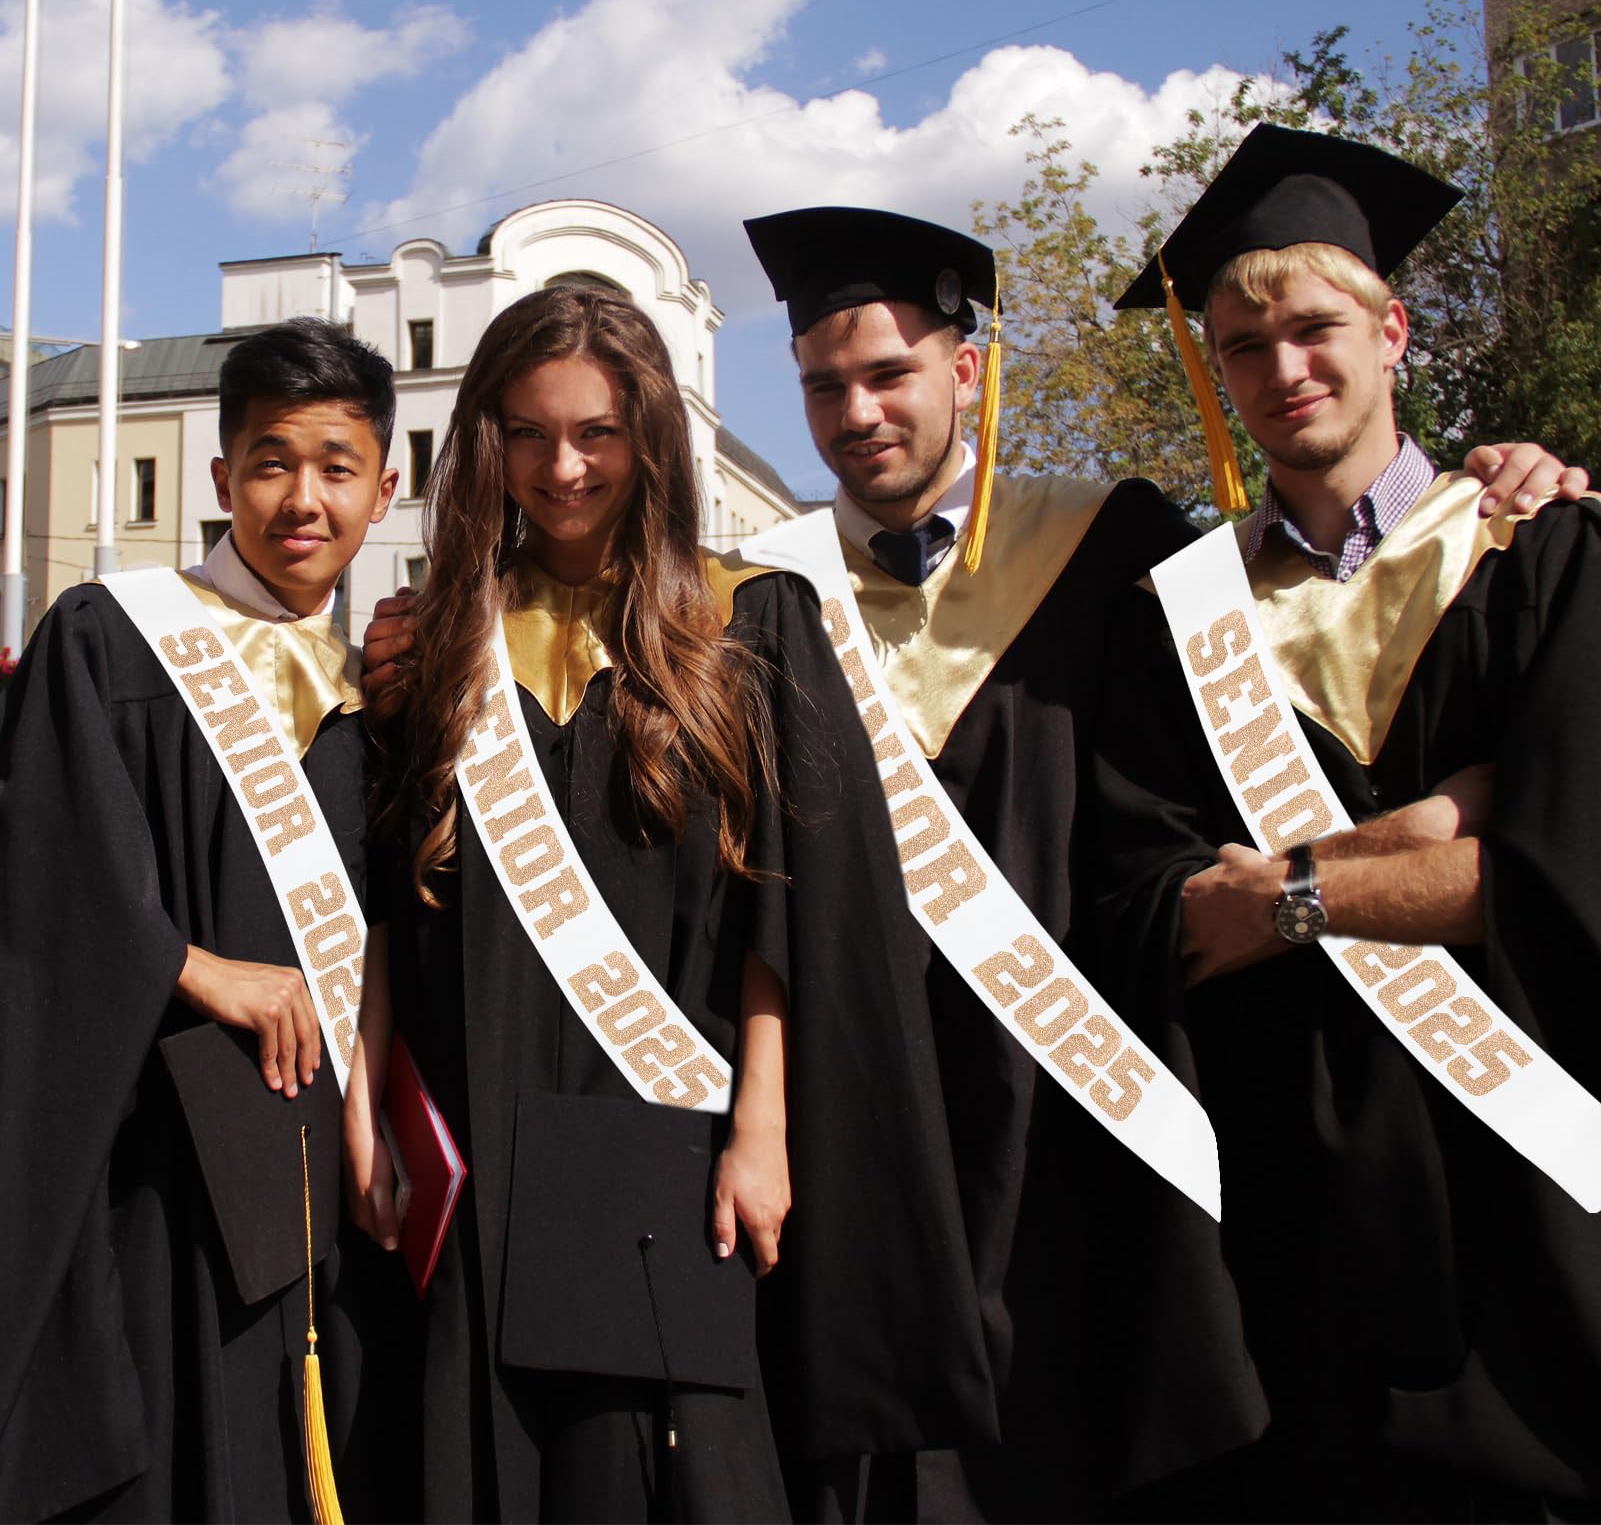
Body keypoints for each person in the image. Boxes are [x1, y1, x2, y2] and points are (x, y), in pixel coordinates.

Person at [361, 215, 1583, 1525]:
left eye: (889, 373)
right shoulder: (749, 601)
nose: (857, 412)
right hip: (855, 1099)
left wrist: (1517, 474)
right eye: (824, 384)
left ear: (967, 370)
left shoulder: (1112, 547)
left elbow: (1222, 750)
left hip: (1065, 1100)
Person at [346, 284, 992, 1523]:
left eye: (597, 431)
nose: (563, 467)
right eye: (527, 433)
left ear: (649, 435)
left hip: (678, 1134)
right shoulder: (439, 644)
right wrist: (376, 1101)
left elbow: (787, 907)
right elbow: (393, 897)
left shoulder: (745, 619)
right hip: (488, 1136)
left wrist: (762, 1121)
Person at [1096, 123, 1601, 1517]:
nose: (1282, 371)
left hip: (1525, 1201)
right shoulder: (1172, 622)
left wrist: (1285, 895)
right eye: (1242, 347)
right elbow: (1152, 913)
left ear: (1391, 330)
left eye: (1313, 329)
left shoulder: (1541, 553)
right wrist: (1430, 825)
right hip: (1282, 1236)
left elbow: (1566, 875)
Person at [0, 319, 408, 1520]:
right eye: (271, 462)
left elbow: (388, 926)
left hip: (314, 1148)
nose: (302, 497)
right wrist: (189, 964)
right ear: (220, 478)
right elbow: (35, 870)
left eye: (337, 467)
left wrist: (373, 1108)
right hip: (157, 1149)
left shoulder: (374, 698)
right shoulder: (111, 636)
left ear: (384, 489)